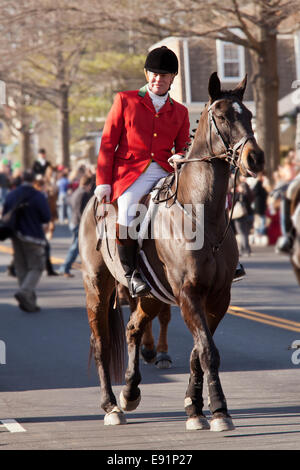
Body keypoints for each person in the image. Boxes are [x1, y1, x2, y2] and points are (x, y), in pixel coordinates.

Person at [94, 46, 190, 298]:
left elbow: (183, 145)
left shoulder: (180, 111)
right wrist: (103, 182)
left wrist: (181, 154)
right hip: (130, 173)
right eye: (154, 74)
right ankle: (130, 273)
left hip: (165, 171)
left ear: (172, 78)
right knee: (127, 211)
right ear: (147, 74)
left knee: (195, 204)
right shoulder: (125, 100)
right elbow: (107, 143)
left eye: (165, 75)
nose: (159, 79)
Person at [2, 169, 51, 312]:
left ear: (22, 178)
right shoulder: (38, 196)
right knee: (36, 267)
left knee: (22, 268)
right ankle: (24, 293)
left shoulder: (12, 194)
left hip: (15, 235)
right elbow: (46, 217)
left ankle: (29, 303)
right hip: (33, 236)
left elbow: (5, 214)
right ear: (34, 180)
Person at [58, 174, 92, 277]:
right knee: (75, 247)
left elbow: (68, 201)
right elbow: (79, 211)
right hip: (78, 223)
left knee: (76, 246)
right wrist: (85, 223)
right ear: (88, 184)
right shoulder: (83, 193)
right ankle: (65, 267)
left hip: (73, 221)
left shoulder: (76, 191)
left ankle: (65, 267)